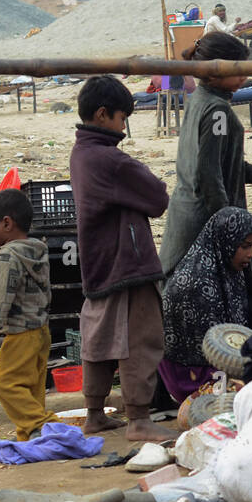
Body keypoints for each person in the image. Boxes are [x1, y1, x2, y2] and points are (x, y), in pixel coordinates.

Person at [160, 31, 252, 329]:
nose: (243, 75)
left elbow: (220, 161)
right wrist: (228, 225)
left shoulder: (201, 100)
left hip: (190, 214)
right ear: (214, 72)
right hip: (203, 218)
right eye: (237, 68)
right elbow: (208, 174)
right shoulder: (217, 110)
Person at [69, 74, 173, 441]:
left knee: (99, 339)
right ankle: (139, 419)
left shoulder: (81, 153)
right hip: (128, 263)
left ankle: (95, 413)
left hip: (98, 262)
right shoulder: (111, 160)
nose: (124, 127)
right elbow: (159, 199)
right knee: (139, 341)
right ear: (102, 115)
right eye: (121, 118)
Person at [159, 207, 252, 401]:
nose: (251, 254)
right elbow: (212, 350)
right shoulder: (195, 284)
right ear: (225, 242)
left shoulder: (228, 271)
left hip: (220, 366)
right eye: (245, 246)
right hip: (191, 376)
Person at [0, 189, 56, 441]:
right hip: (41, 330)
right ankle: (29, 434)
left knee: (5, 384)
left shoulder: (5, 257)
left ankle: (42, 425)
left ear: (7, 224)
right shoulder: (37, 250)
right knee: (33, 385)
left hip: (21, 332)